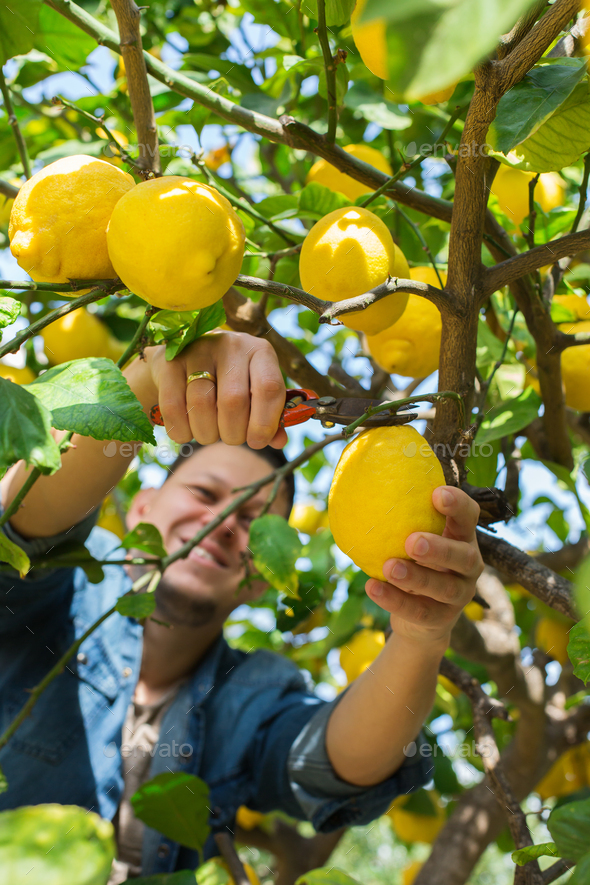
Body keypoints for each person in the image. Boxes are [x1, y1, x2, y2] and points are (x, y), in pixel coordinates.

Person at [0, 331, 484, 880]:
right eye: (206, 496)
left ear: (263, 579)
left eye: (255, 522)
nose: (223, 524)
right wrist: (147, 378)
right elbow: (22, 530)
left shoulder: (250, 690)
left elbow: (335, 765)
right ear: (141, 509)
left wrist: (423, 636)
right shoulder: (63, 587)